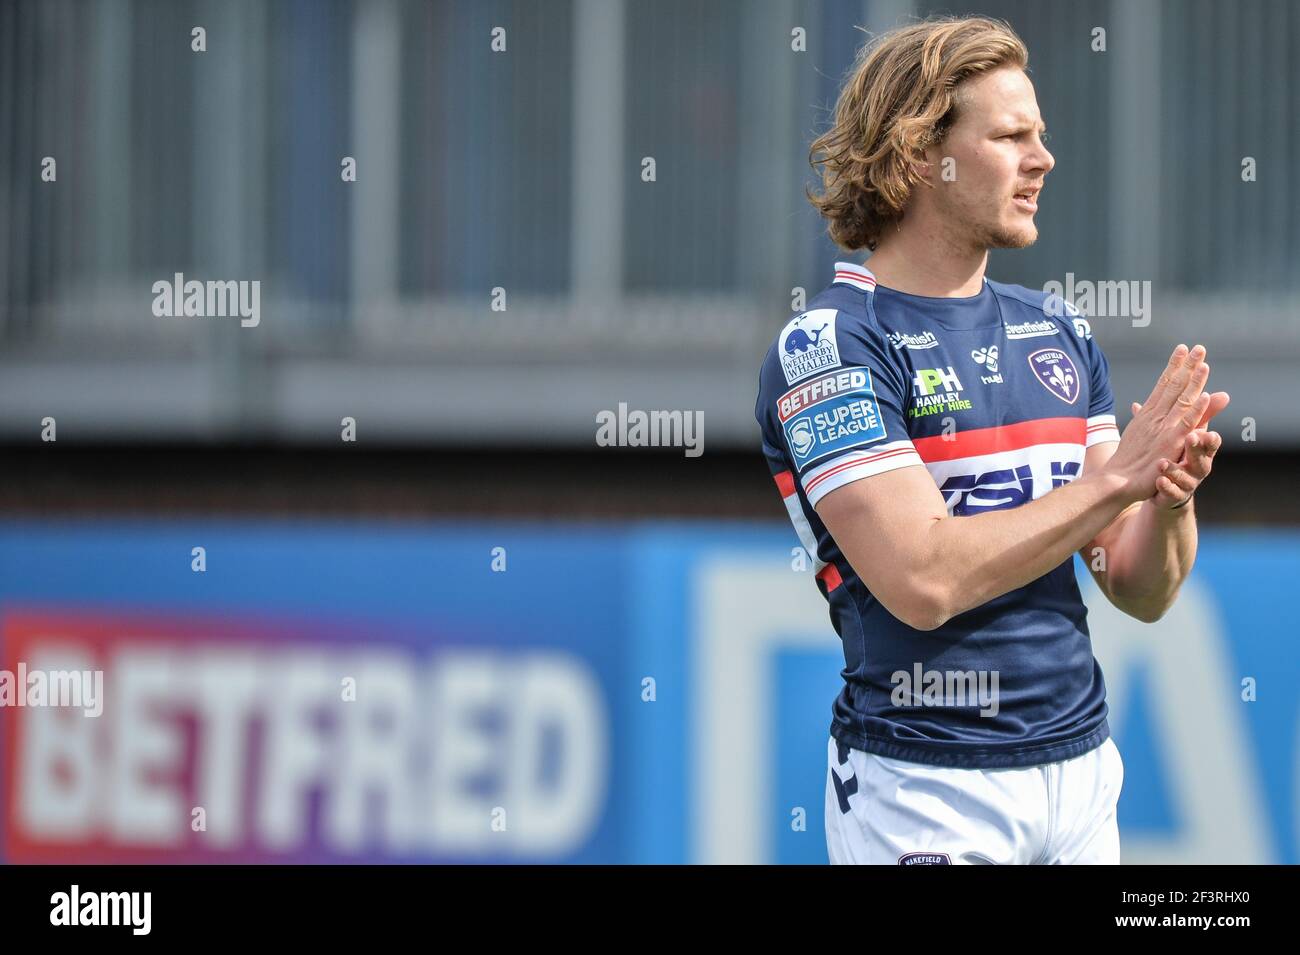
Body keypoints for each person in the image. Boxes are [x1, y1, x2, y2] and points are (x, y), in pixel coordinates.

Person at [753, 15, 1229, 864]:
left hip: (1082, 770)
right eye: (1011, 136)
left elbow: (1139, 587)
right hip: (924, 782)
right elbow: (924, 579)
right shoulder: (828, 345)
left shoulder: (1056, 328)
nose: (1042, 159)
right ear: (917, 155)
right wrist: (1116, 482)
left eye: (1039, 135)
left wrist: (1166, 500)